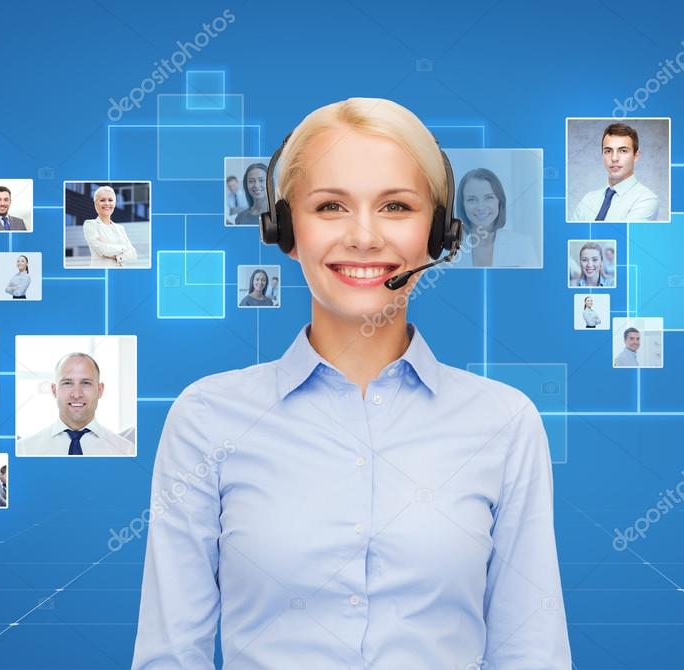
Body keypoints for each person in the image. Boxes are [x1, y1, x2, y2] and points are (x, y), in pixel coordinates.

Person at [133, 98, 571, 669]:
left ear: (438, 232)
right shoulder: (207, 417)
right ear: (284, 229)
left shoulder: (504, 423)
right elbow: (171, 655)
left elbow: (530, 653)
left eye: (395, 206)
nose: (364, 237)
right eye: (331, 206)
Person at [17, 352, 135, 456]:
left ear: (100, 390)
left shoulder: (126, 451)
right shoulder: (24, 449)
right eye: (67, 383)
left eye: (86, 383)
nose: (77, 394)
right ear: (54, 390)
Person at [570, 123, 659, 222]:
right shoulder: (588, 199)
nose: (614, 158)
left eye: (623, 151)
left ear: (636, 156)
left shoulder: (646, 199)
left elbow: (623, 237)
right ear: (602, 154)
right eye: (608, 151)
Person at [453, 167, 540, 267]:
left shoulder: (523, 245)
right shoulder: (448, 248)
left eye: (489, 197)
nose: (481, 207)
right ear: (462, 205)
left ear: (499, 202)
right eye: (471, 199)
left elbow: (534, 282)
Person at [83, 186, 139, 267]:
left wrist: (116, 256)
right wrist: (124, 248)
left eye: (110, 200)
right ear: (95, 203)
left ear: (114, 203)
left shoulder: (120, 228)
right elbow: (102, 250)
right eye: (102, 200)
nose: (107, 203)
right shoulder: (90, 225)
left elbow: (133, 255)